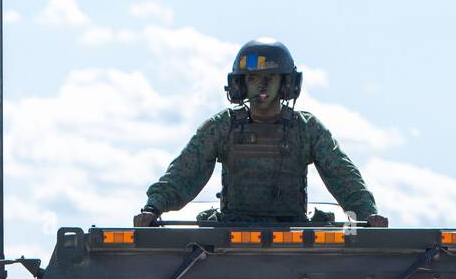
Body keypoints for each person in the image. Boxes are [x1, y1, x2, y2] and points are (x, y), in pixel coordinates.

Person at [134, 38, 387, 228]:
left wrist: (366, 213)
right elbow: (184, 170)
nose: (262, 85)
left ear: (286, 83)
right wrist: (154, 206)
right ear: (241, 84)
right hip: (233, 236)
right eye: (254, 77)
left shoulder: (306, 129)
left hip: (291, 235)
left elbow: (341, 173)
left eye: (271, 77)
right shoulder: (224, 126)